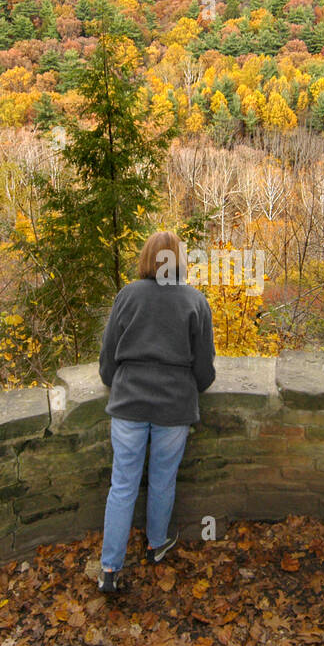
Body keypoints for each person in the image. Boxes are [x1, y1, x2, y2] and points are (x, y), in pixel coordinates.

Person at [96, 230, 216, 593]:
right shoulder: (195, 301)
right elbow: (204, 371)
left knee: (122, 485)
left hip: (129, 404)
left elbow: (107, 360)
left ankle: (110, 570)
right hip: (174, 407)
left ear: (147, 258)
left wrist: (118, 384)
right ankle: (155, 545)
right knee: (163, 480)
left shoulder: (127, 296)